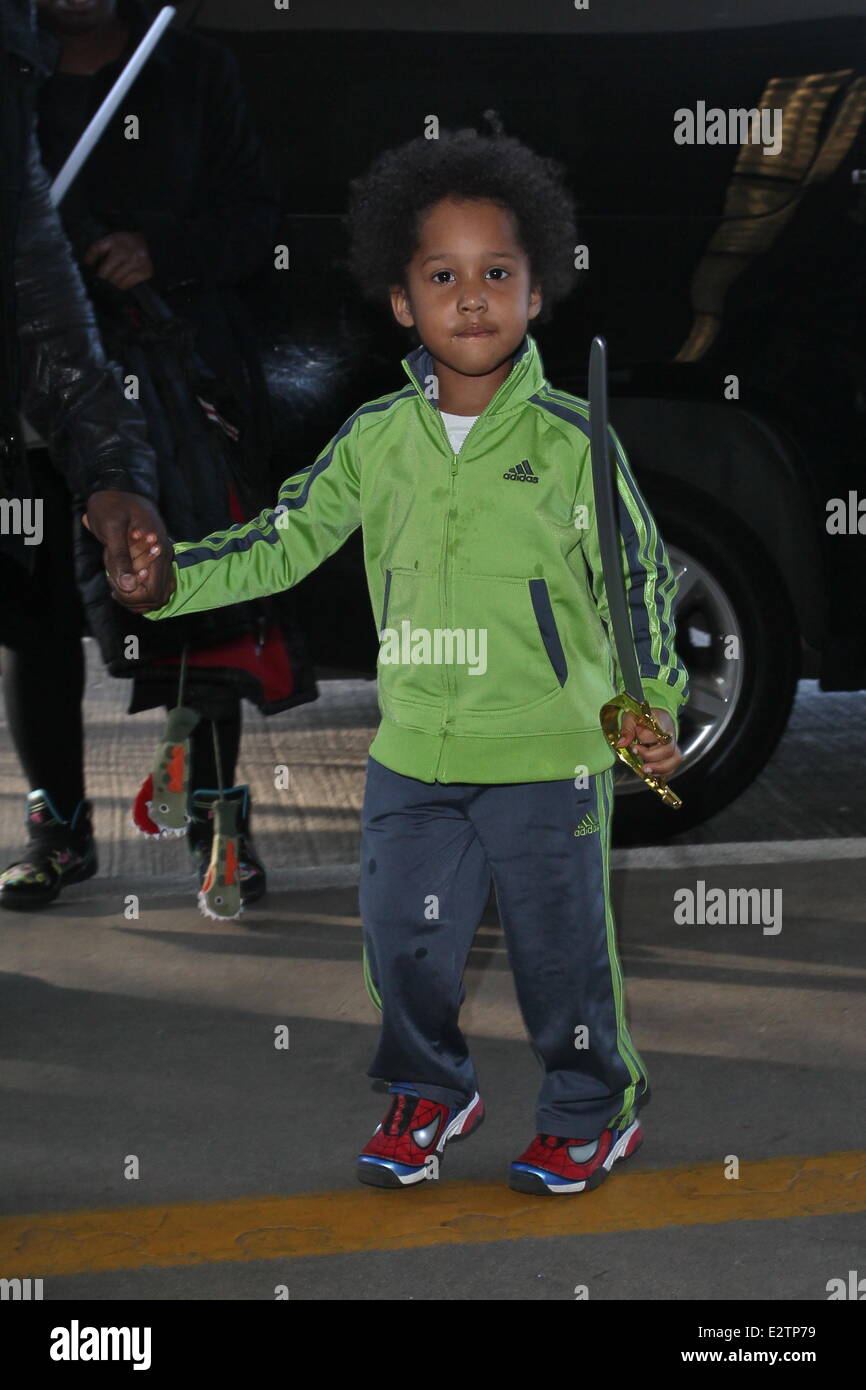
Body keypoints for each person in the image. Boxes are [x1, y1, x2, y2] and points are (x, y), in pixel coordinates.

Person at [114, 124, 689, 1197]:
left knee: (561, 960)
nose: (470, 297)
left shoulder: (571, 440)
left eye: (496, 273)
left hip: (545, 753)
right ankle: (430, 1089)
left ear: (534, 294)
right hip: (415, 752)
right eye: (442, 275)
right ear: (400, 301)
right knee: (403, 946)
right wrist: (169, 578)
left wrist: (642, 706)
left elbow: (637, 584)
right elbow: (279, 538)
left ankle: (587, 1107)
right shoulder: (377, 439)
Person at [16, 0, 319, 908]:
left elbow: (255, 214)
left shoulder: (190, 69)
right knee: (31, 611)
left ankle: (216, 828)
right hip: (36, 374)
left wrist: (161, 251)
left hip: (170, 377)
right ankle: (57, 830)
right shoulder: (11, 69)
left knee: (191, 598)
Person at [0, 0, 174, 911]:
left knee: (45, 618)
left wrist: (113, 477)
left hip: (91, 404)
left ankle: (70, 823)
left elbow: (49, 314)